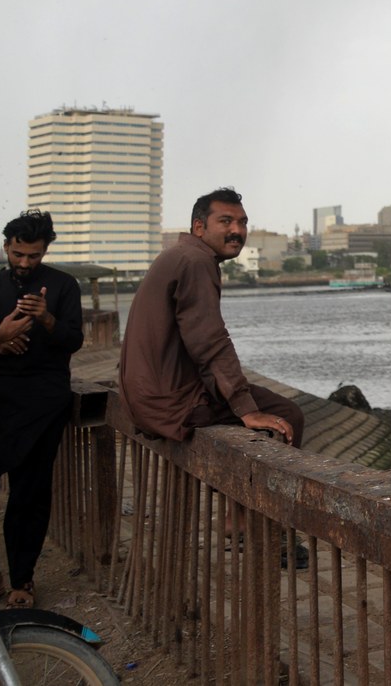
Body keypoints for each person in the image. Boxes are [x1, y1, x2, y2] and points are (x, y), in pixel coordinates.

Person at [119, 188, 307, 567]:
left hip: (149, 394)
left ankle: (240, 518)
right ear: (199, 226)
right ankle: (255, 528)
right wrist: (243, 406)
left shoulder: (179, 255)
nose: (237, 230)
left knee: (268, 408)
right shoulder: (196, 261)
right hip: (171, 401)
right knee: (287, 417)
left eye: (242, 223)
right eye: (226, 222)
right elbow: (209, 340)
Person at [0, 210, 84, 609]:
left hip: (45, 398)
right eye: (18, 254)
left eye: (34, 256)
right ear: (7, 247)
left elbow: (74, 340)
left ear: (45, 251)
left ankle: (22, 579)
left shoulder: (63, 285)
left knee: (30, 492)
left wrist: (46, 319)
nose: (25, 263)